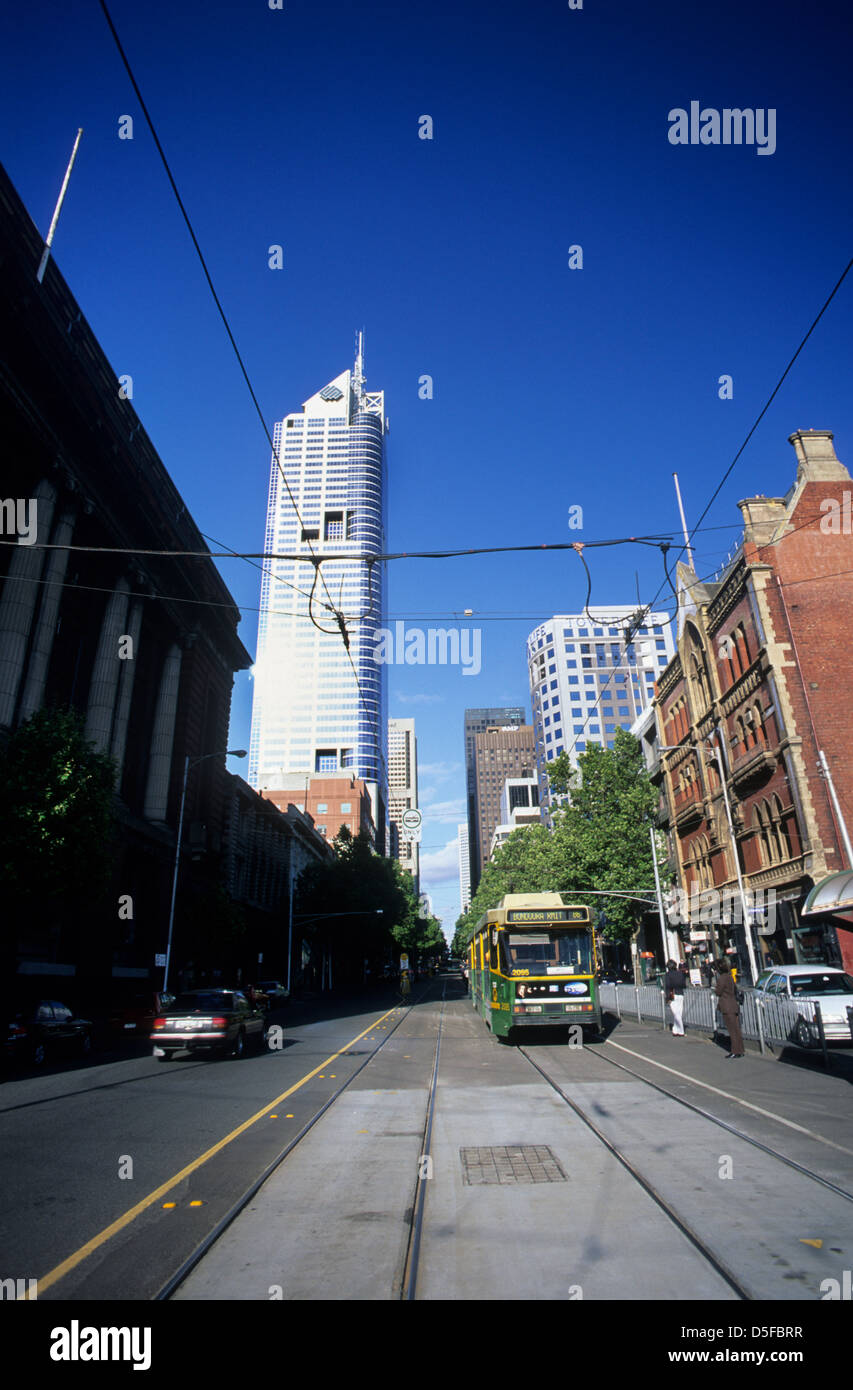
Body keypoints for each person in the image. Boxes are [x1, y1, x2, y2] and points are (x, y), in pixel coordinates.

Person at [714, 959, 744, 1057]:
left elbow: (718, 992)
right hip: (733, 1004)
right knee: (736, 1029)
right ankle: (740, 1050)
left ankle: (735, 1051)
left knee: (732, 1030)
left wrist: (715, 988)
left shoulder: (722, 978)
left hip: (727, 1006)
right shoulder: (730, 977)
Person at [664, 959, 686, 1036]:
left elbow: (667, 986)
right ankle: (675, 1030)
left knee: (676, 1013)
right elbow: (684, 984)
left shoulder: (668, 974)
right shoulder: (680, 973)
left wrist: (667, 997)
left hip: (672, 994)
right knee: (679, 1012)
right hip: (680, 993)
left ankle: (681, 1030)